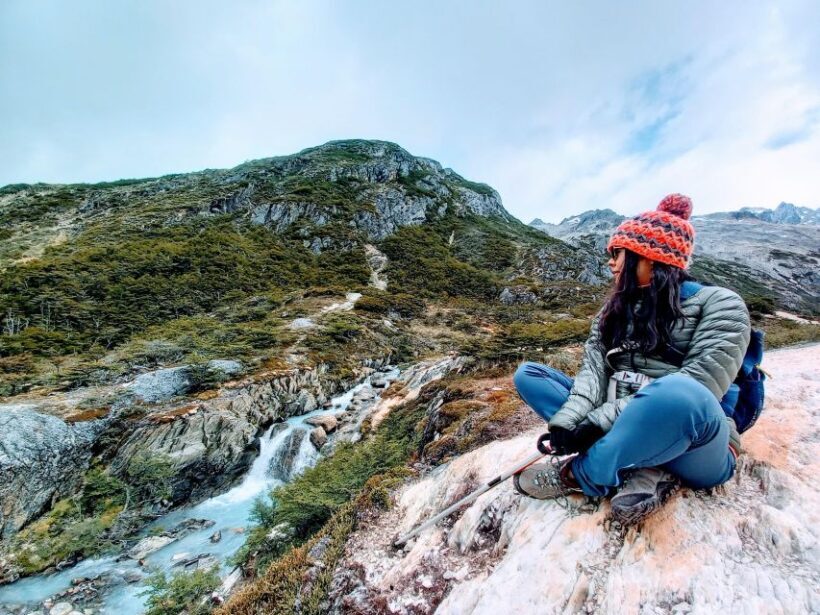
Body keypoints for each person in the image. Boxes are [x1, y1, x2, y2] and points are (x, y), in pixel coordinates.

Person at [512, 194, 751, 524]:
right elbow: (593, 373)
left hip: (693, 441)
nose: (610, 262)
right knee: (530, 375)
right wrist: (569, 423)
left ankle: (581, 473)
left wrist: (596, 425)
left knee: (678, 393)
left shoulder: (722, 304)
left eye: (617, 253)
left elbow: (703, 385)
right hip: (621, 421)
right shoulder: (613, 311)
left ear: (649, 257)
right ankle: (639, 467)